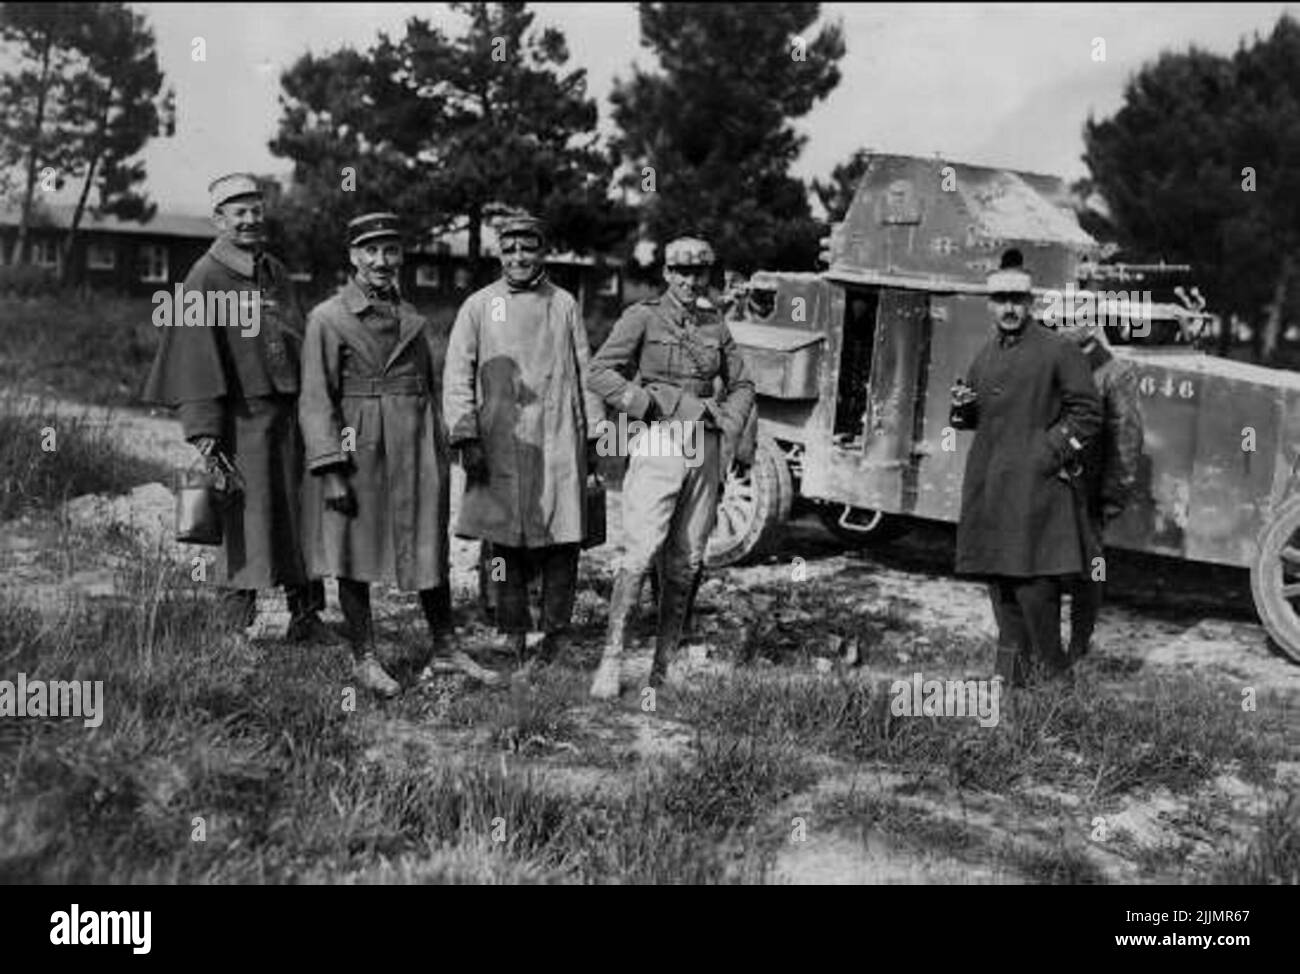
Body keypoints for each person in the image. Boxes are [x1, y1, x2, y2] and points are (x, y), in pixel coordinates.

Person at [299, 212, 497, 697]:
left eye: (390, 250)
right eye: (370, 250)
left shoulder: (410, 315)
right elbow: (316, 399)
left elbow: (427, 385)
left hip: (415, 445)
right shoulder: (328, 317)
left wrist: (442, 443)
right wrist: (331, 471)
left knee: (429, 541)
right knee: (353, 546)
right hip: (358, 445)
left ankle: (445, 647)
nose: (381, 260)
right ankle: (364, 657)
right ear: (354, 256)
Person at [142, 172, 326, 641]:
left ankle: (306, 618)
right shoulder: (205, 276)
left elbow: (299, 334)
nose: (249, 220)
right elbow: (192, 356)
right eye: (238, 212)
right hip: (241, 420)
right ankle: (232, 630)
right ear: (219, 220)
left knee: (301, 514)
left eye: (255, 211)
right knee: (244, 520)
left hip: (290, 416)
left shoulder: (275, 271)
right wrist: (205, 429)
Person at [585, 236, 755, 699]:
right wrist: (642, 403)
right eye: (681, 272)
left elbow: (742, 383)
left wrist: (729, 425)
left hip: (703, 442)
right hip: (658, 439)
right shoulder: (642, 316)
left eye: (698, 273)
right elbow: (599, 371)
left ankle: (665, 663)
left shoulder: (716, 324)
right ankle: (612, 659)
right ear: (667, 273)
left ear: (707, 276)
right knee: (641, 551)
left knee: (688, 557)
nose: (689, 281)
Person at [442, 213, 604, 676]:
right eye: (509, 247)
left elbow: (587, 371)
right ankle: (510, 629)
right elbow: (457, 373)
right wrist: (466, 434)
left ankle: (555, 633)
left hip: (557, 435)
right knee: (503, 540)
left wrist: (596, 435)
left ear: (542, 250)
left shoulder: (564, 304)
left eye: (527, 247)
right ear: (499, 252)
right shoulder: (479, 306)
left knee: (563, 536)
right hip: (500, 438)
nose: (518, 256)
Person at [950, 250, 1102, 686]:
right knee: (1001, 587)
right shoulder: (985, 354)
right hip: (992, 489)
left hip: (1036, 491)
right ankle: (1011, 683)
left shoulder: (1058, 350)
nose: (1009, 309)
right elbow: (974, 415)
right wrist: (962, 409)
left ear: (1030, 301)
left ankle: (1055, 682)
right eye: (1001, 300)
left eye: (1017, 300)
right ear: (990, 304)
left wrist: (1047, 453)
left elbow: (1088, 414)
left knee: (1035, 587)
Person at [1059, 321, 1143, 658]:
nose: (1067, 323)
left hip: (1088, 490)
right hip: (1048, 483)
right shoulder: (1048, 359)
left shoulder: (1115, 372)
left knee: (1091, 568)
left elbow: (1127, 439)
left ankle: (1080, 644)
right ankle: (1042, 646)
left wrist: (1114, 494)